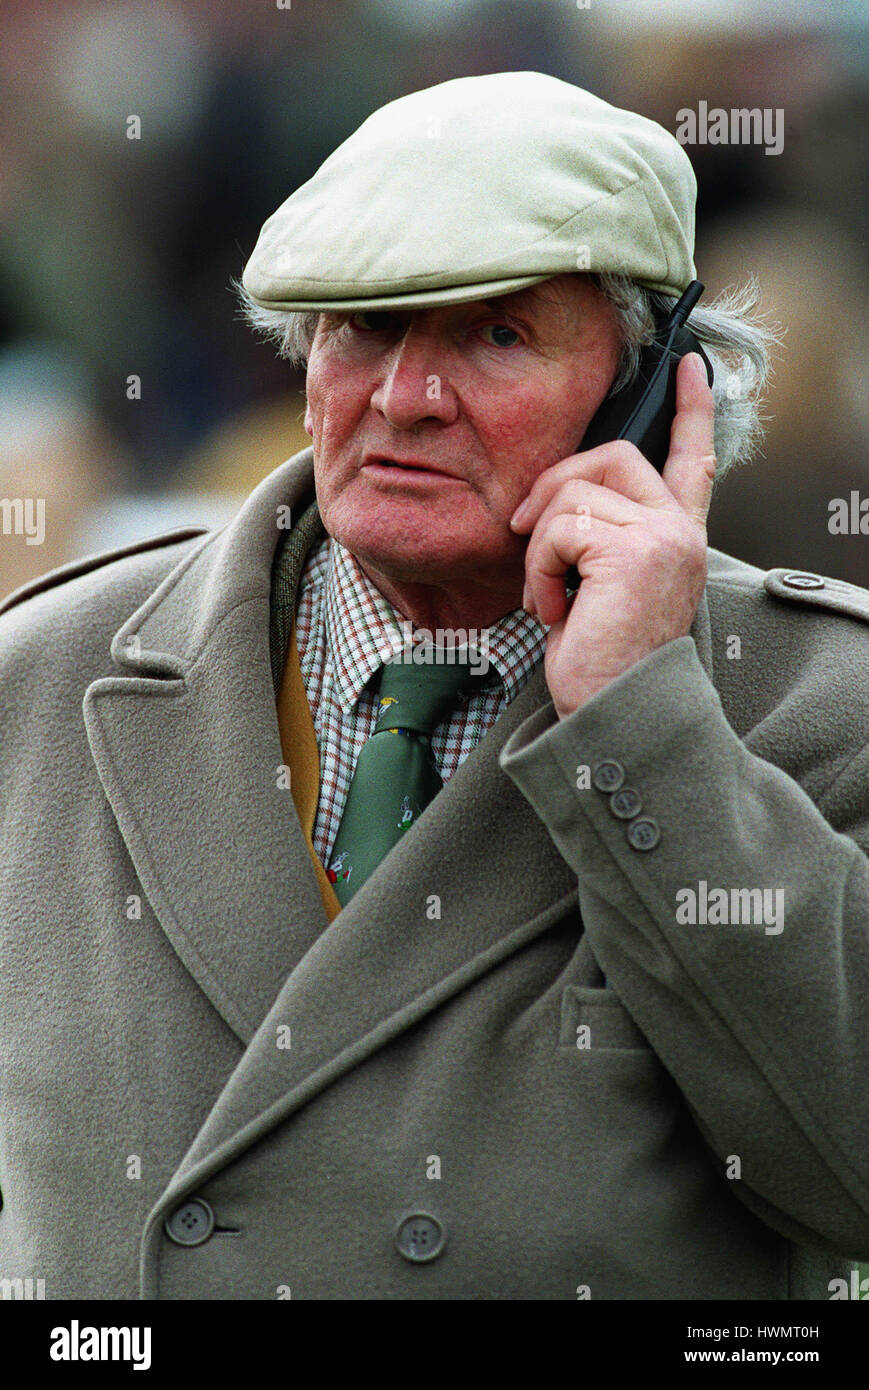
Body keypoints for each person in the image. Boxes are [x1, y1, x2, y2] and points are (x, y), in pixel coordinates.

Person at [0, 71, 866, 1302]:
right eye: (364, 327)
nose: (405, 398)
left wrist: (641, 720)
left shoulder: (818, 703)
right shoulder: (38, 682)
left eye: (495, 332)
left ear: (650, 387)